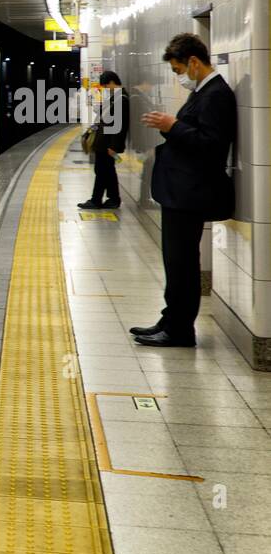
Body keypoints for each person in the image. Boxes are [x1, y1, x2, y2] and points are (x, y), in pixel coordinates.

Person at [134, 33, 236, 348]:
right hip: (182, 193)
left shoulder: (216, 94)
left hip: (191, 193)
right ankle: (170, 320)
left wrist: (172, 125)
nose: (179, 76)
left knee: (182, 263)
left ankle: (179, 330)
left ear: (193, 62)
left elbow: (212, 144)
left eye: (179, 70)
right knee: (176, 261)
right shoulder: (205, 92)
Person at [78, 71, 129, 210]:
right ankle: (113, 198)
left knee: (101, 171)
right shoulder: (115, 98)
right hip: (104, 142)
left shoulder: (121, 99)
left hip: (108, 144)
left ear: (113, 82)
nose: (106, 88)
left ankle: (96, 200)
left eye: (106, 85)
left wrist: (114, 146)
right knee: (107, 171)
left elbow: (120, 125)